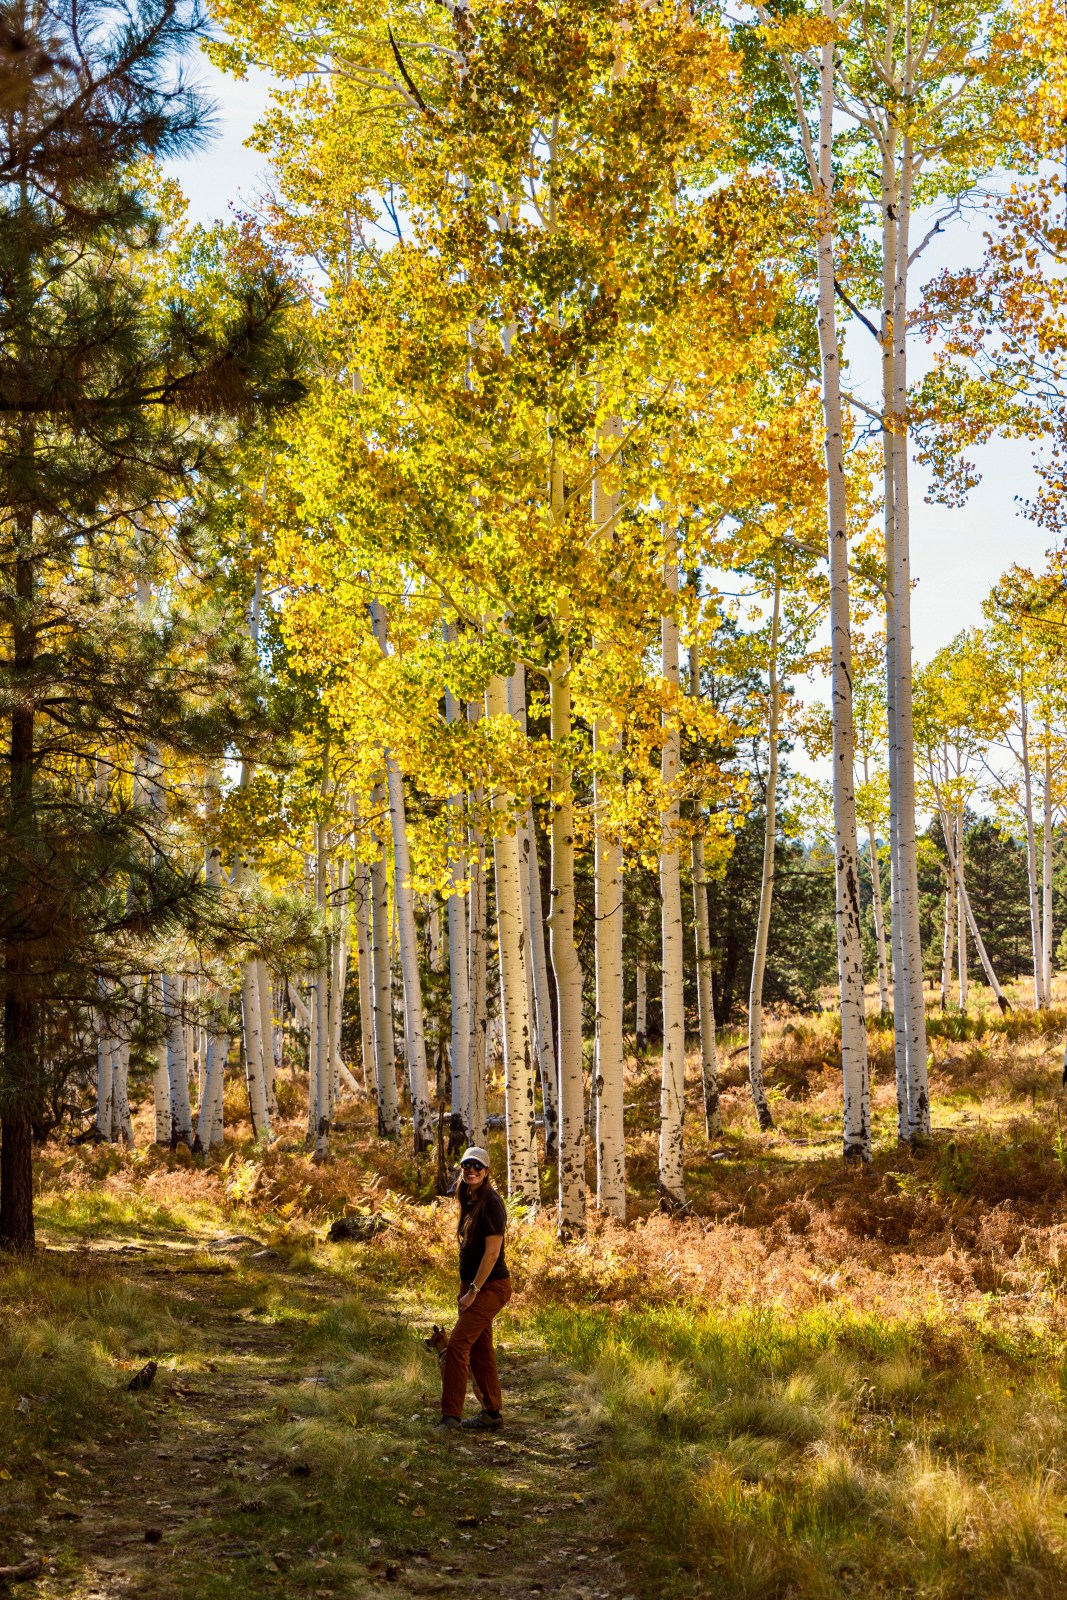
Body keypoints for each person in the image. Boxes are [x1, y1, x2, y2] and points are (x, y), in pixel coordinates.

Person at [438, 1146, 512, 1431]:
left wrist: (473, 1291)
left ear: (486, 1172)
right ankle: (492, 1413)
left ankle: (450, 1417)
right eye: (466, 1165)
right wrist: (466, 1288)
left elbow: (492, 1255)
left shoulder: (492, 1203)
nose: (471, 1170)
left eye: (477, 1167)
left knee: (457, 1346)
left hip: (490, 1288)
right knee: (481, 1349)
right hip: (474, 1287)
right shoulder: (469, 1197)